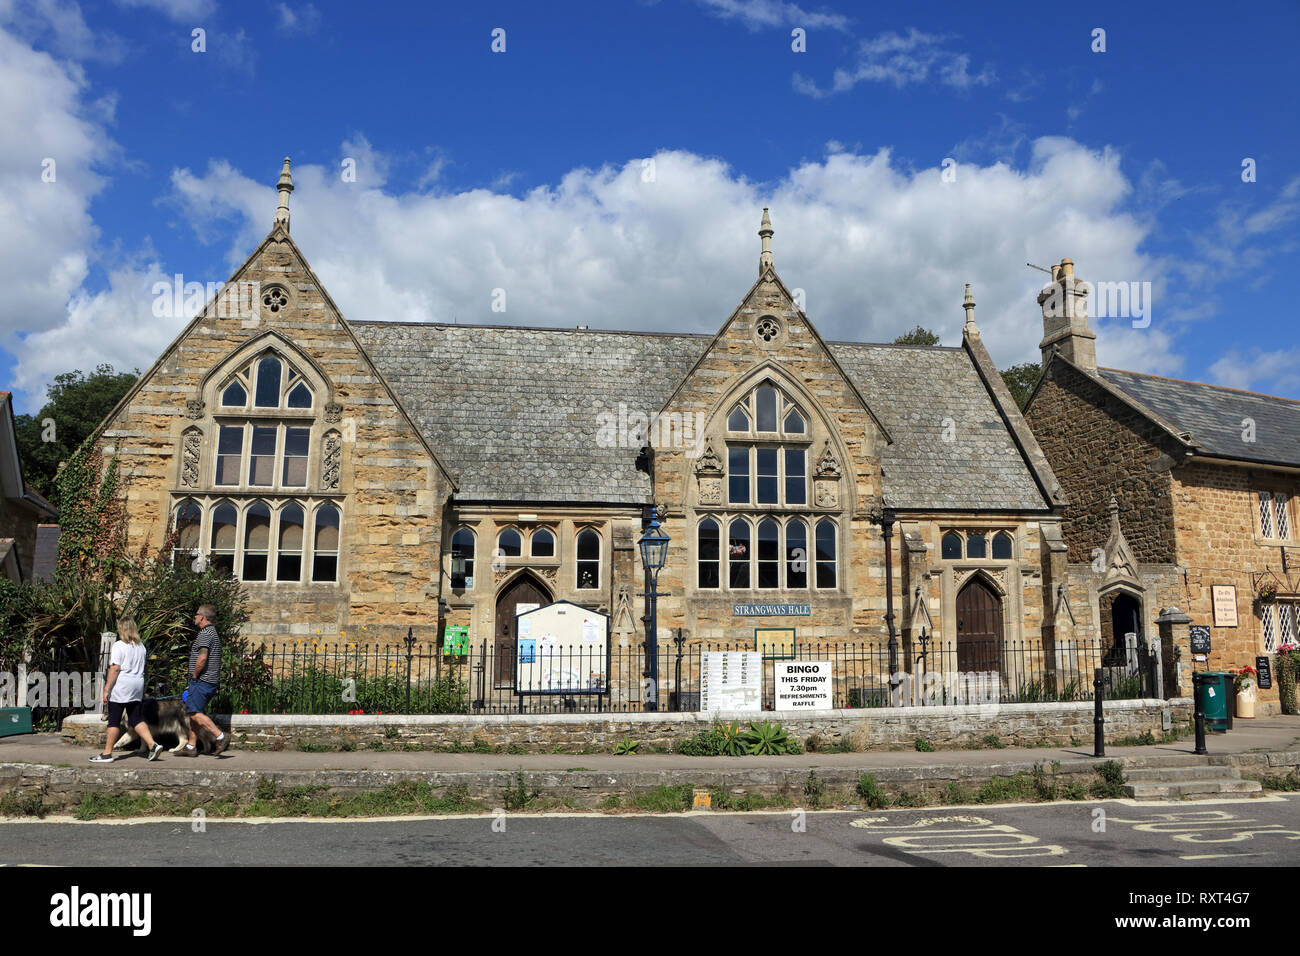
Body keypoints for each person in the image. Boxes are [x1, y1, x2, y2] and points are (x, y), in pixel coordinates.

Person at [91, 617, 163, 763]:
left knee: (114, 719)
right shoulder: (140, 646)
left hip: (122, 685)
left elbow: (115, 668)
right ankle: (152, 744)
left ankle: (106, 753)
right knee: (136, 717)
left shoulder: (119, 645)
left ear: (121, 629)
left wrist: (107, 688)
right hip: (137, 684)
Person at [179, 604, 230, 756]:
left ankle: (220, 736)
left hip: (202, 681)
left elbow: (202, 658)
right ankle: (191, 747)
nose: (194, 617)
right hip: (209, 680)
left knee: (194, 713)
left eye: (196, 614)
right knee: (195, 713)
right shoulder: (212, 632)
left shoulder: (205, 633)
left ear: (202, 617)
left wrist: (194, 676)